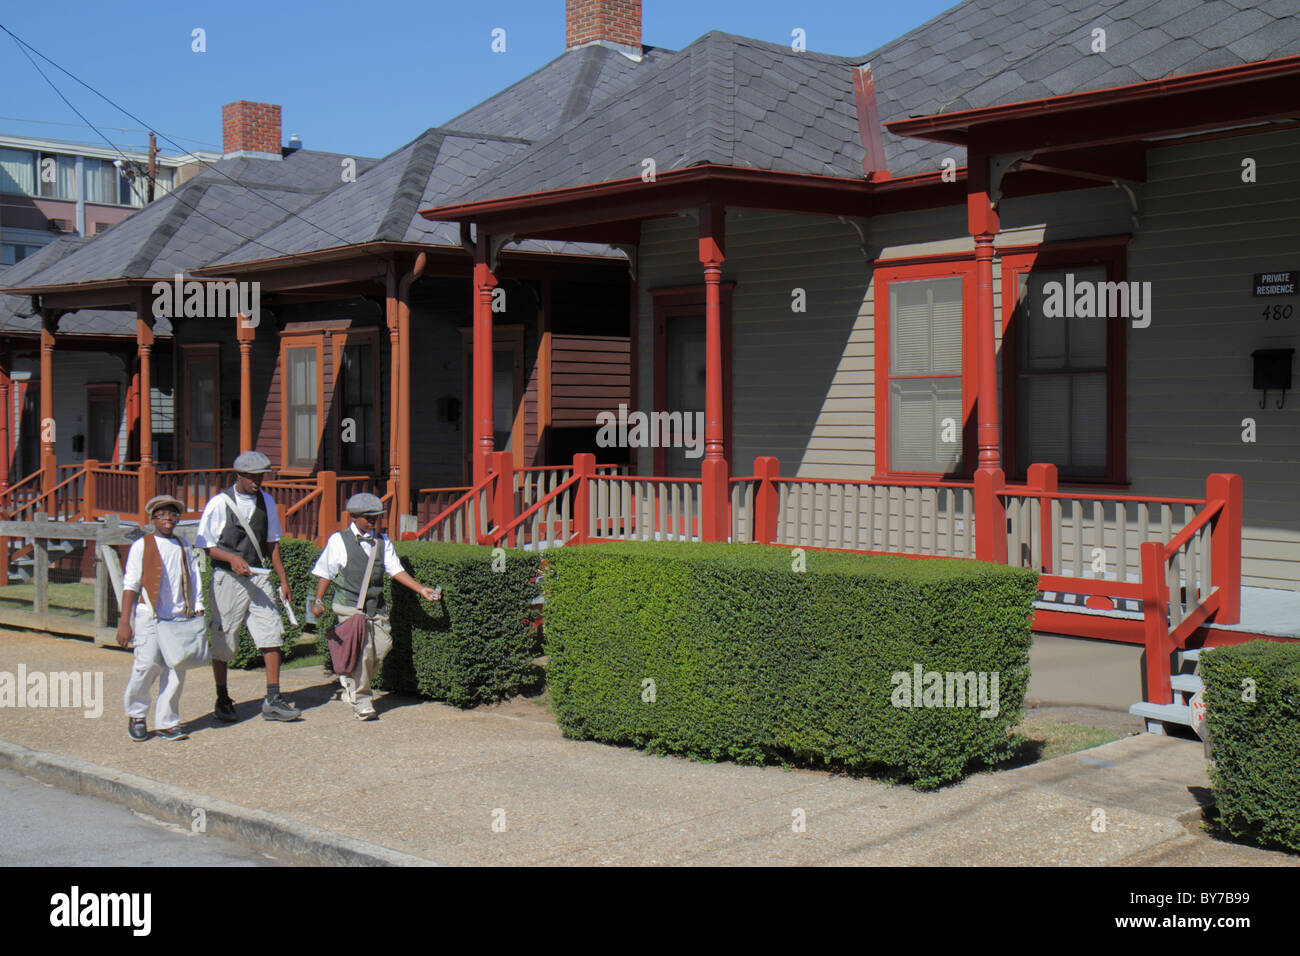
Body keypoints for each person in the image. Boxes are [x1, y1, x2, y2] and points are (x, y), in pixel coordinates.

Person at [310, 493, 440, 720]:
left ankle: (351, 680)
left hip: (376, 607)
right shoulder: (338, 541)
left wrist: (420, 589)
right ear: (354, 516)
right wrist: (318, 601)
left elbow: (395, 570)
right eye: (367, 517)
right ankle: (362, 700)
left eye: (376, 517)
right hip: (349, 607)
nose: (372, 521)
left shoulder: (382, 541)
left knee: (381, 647)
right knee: (363, 652)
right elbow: (325, 573)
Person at [195, 451, 299, 722]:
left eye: (260, 476)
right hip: (227, 578)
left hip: (259, 576)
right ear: (238, 476)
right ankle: (222, 697)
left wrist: (283, 580)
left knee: (272, 633)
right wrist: (231, 558)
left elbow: (272, 543)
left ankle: (273, 698)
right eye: (252, 477)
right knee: (224, 638)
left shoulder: (267, 500)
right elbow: (206, 545)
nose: (257, 482)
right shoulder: (219, 503)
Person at [117, 495, 205, 742]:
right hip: (151, 616)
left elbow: (194, 577)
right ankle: (136, 714)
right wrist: (125, 622)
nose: (168, 520)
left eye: (173, 515)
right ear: (153, 519)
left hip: (179, 617)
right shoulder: (142, 546)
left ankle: (168, 722)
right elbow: (130, 584)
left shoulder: (184, 545)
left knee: (177, 670)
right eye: (162, 515)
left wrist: (198, 607)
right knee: (147, 666)